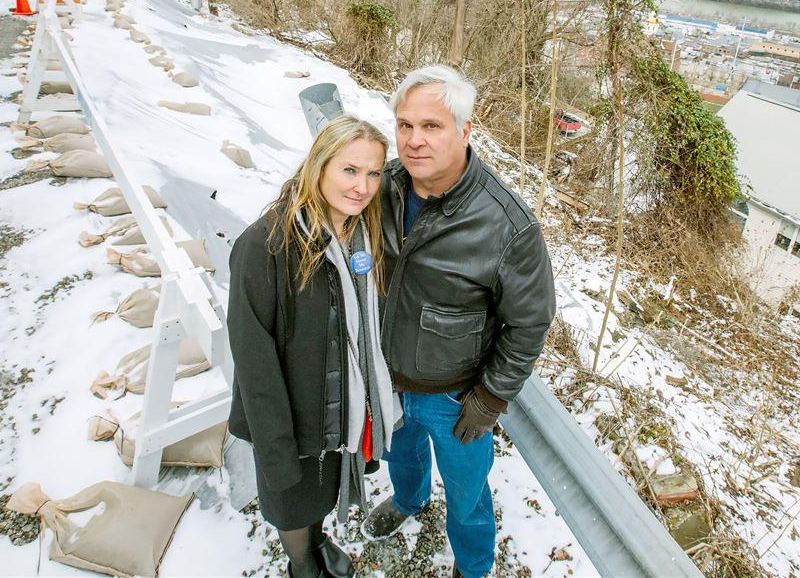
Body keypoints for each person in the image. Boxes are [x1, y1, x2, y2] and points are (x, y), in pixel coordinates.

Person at [361, 65, 556, 578]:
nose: (414, 140)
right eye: (405, 125)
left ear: (465, 131)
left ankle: (474, 566)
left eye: (432, 126)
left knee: (468, 495)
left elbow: (530, 323)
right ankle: (408, 501)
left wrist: (490, 397)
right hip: (388, 376)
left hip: (454, 397)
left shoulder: (507, 225)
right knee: (401, 457)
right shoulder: (385, 189)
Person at [228, 115, 399, 578]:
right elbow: (253, 360)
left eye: (372, 173)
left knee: (322, 493)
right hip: (288, 415)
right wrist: (276, 446)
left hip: (340, 406)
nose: (362, 186)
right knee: (292, 501)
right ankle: (303, 564)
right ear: (319, 165)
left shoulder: (361, 233)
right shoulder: (265, 245)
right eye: (349, 170)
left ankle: (319, 540)